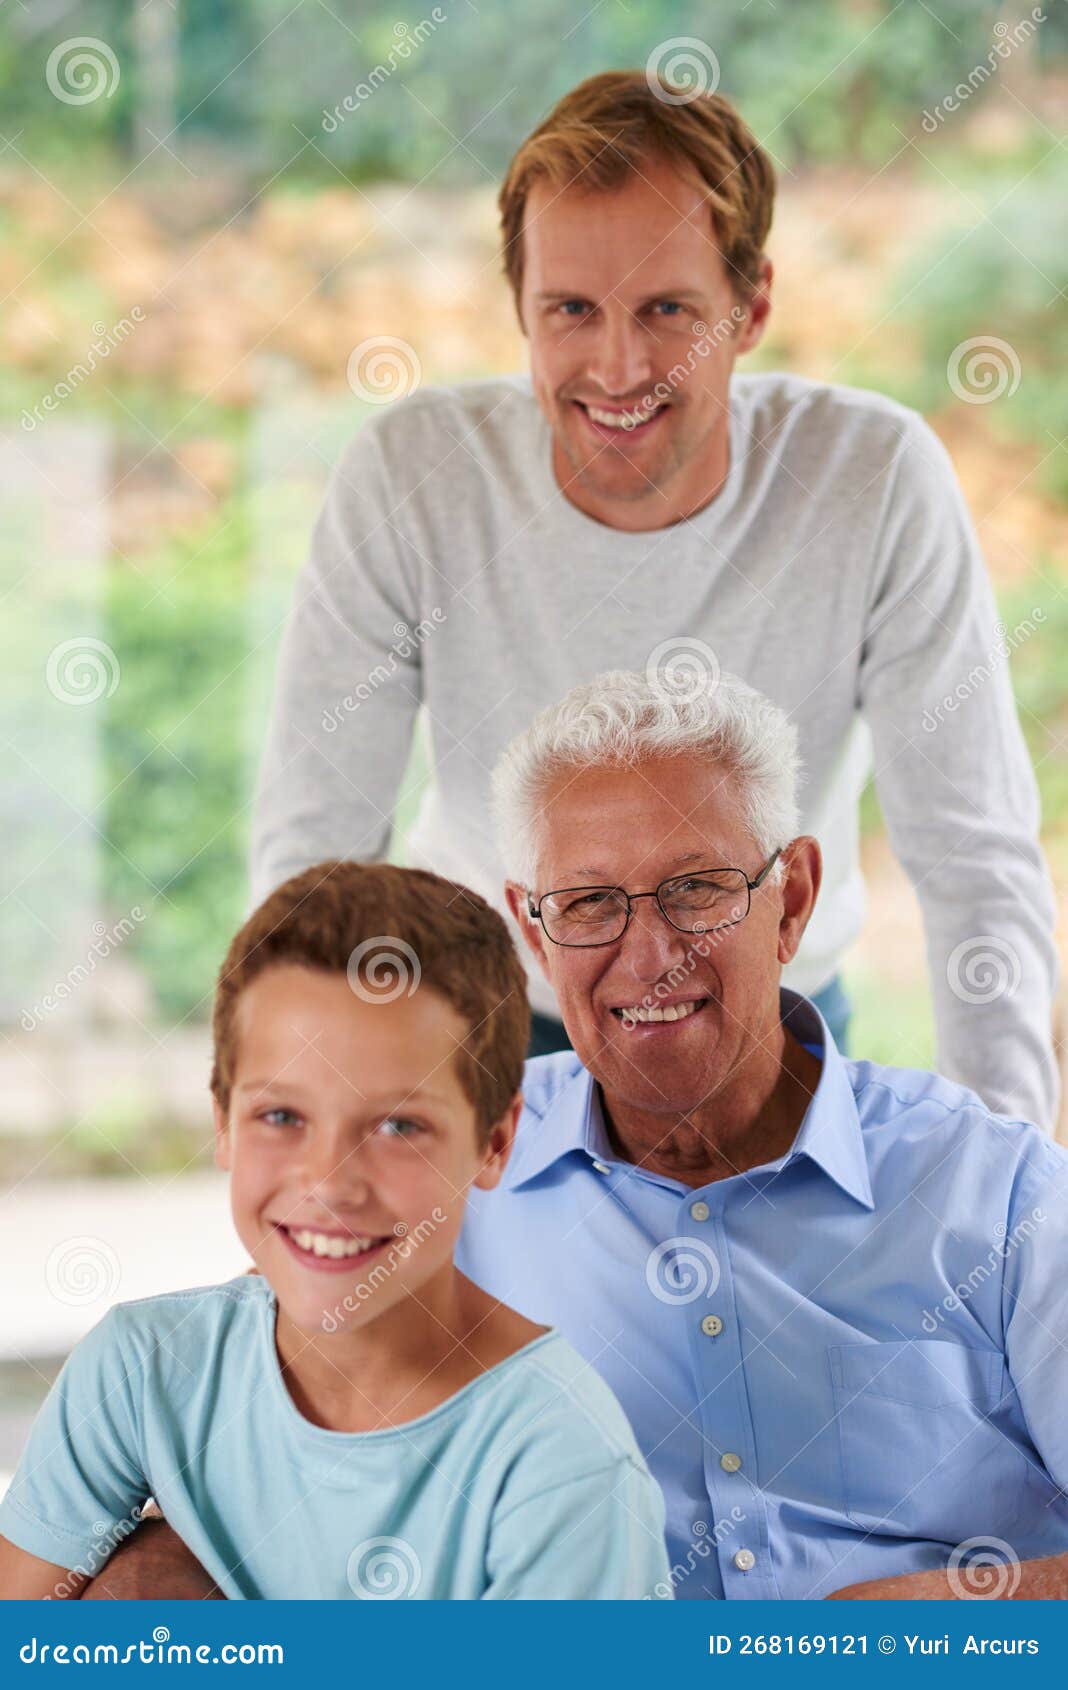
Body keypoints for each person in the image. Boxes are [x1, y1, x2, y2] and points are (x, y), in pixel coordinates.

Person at [249, 68, 1058, 1127]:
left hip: (768, 1030)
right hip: (495, 1034)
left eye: (668, 309)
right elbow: (317, 855)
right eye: (572, 311)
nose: (618, 366)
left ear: (751, 304)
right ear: (521, 309)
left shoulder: (873, 479)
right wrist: (301, 1121)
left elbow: (973, 858)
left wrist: (1008, 1180)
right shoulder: (415, 476)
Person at [453, 668, 1068, 1601]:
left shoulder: (1004, 1194)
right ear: (535, 938)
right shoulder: (445, 1170)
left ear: (793, 899)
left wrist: (960, 1612)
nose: (651, 955)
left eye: (697, 889)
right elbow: (246, 1419)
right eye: (588, 905)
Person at [0, 862, 671, 1601]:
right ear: (223, 1119)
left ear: (494, 1141)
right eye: (281, 1117)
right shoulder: (142, 1372)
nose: (329, 1182)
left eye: (398, 1125)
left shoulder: (559, 1461)